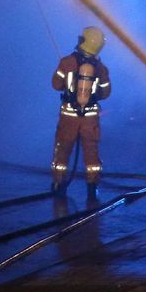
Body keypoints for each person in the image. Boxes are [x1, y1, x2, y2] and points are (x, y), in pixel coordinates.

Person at [50, 26, 111, 199]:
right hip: (90, 117)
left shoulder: (66, 62)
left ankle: (58, 184)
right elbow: (106, 93)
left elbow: (55, 85)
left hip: (68, 115)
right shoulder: (101, 68)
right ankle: (92, 187)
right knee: (91, 151)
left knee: (63, 149)